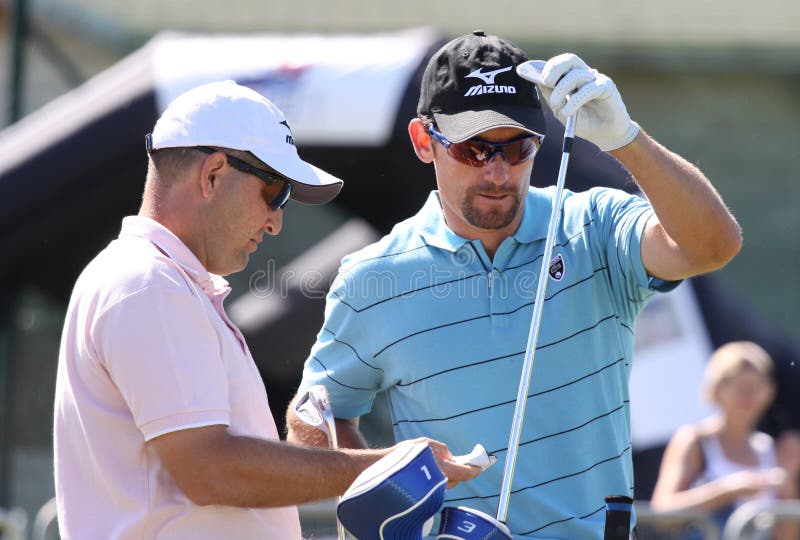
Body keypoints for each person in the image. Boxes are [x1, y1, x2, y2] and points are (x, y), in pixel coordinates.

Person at [285, 30, 742, 539]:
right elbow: (315, 416)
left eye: (518, 147)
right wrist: (385, 479)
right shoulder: (372, 277)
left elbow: (714, 245)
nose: (499, 172)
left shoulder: (594, 225)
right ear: (422, 141)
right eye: (473, 150)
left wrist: (626, 139)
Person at [52, 80, 481, 540]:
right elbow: (210, 471)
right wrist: (385, 466)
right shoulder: (148, 283)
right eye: (274, 190)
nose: (277, 220)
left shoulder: (156, 281)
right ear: (213, 174)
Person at [650, 342, 800, 539]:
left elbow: (786, 537)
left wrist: (787, 487)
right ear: (717, 390)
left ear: (768, 393)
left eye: (756, 388)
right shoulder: (694, 440)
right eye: (740, 388)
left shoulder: (770, 449)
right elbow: (661, 514)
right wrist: (728, 489)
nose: (749, 398)